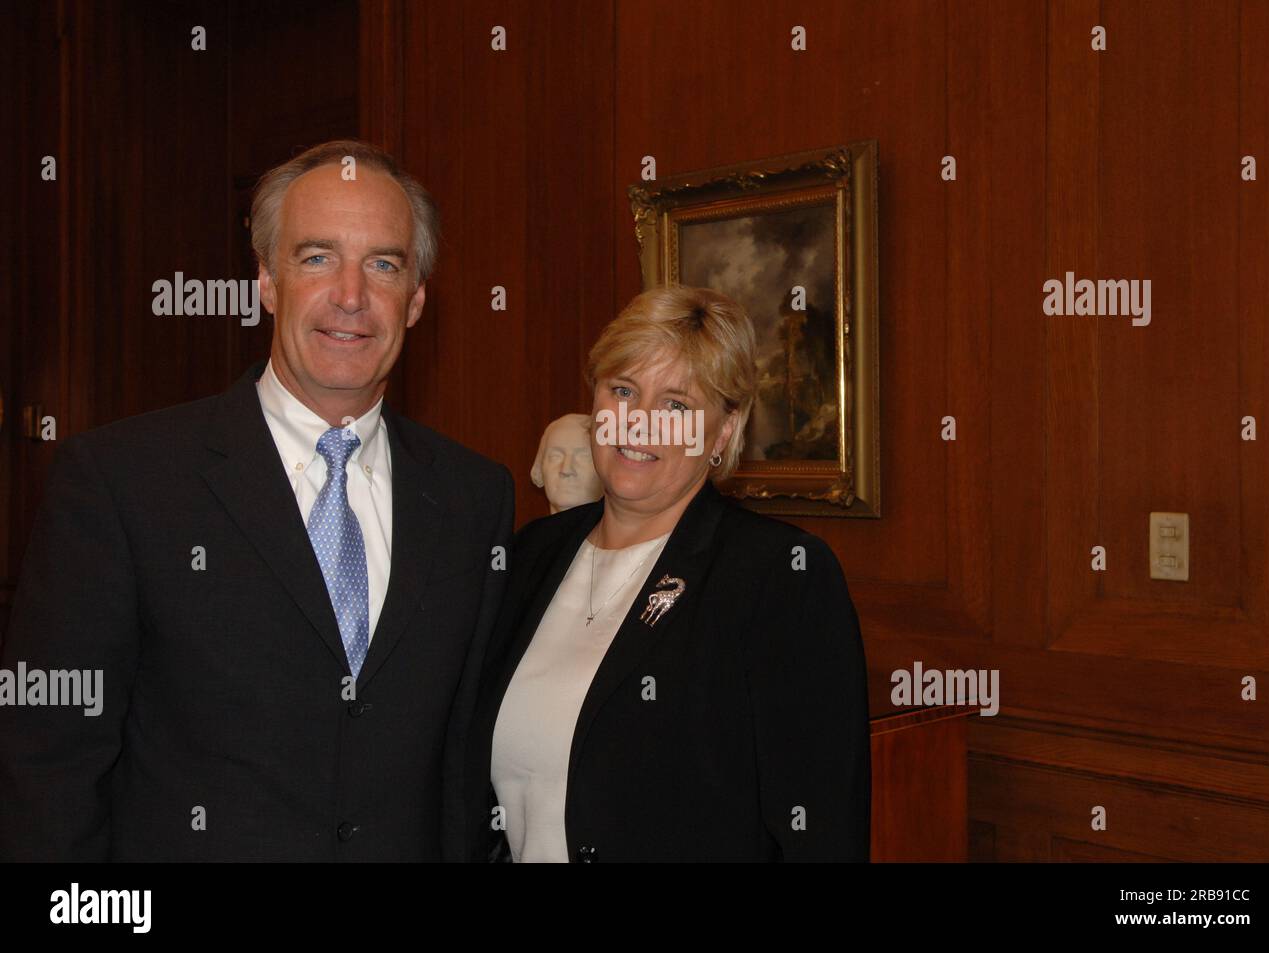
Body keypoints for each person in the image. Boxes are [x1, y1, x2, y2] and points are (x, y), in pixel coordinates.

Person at [0, 140, 513, 861]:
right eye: (316, 257)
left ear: (418, 298)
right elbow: (47, 765)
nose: (350, 295)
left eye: (384, 264)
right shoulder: (122, 481)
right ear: (267, 282)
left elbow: (461, 774)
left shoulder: (472, 498)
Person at [464, 285, 869, 862]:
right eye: (623, 391)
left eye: (676, 406)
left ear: (724, 431)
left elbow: (820, 834)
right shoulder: (529, 556)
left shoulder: (779, 578)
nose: (639, 424)